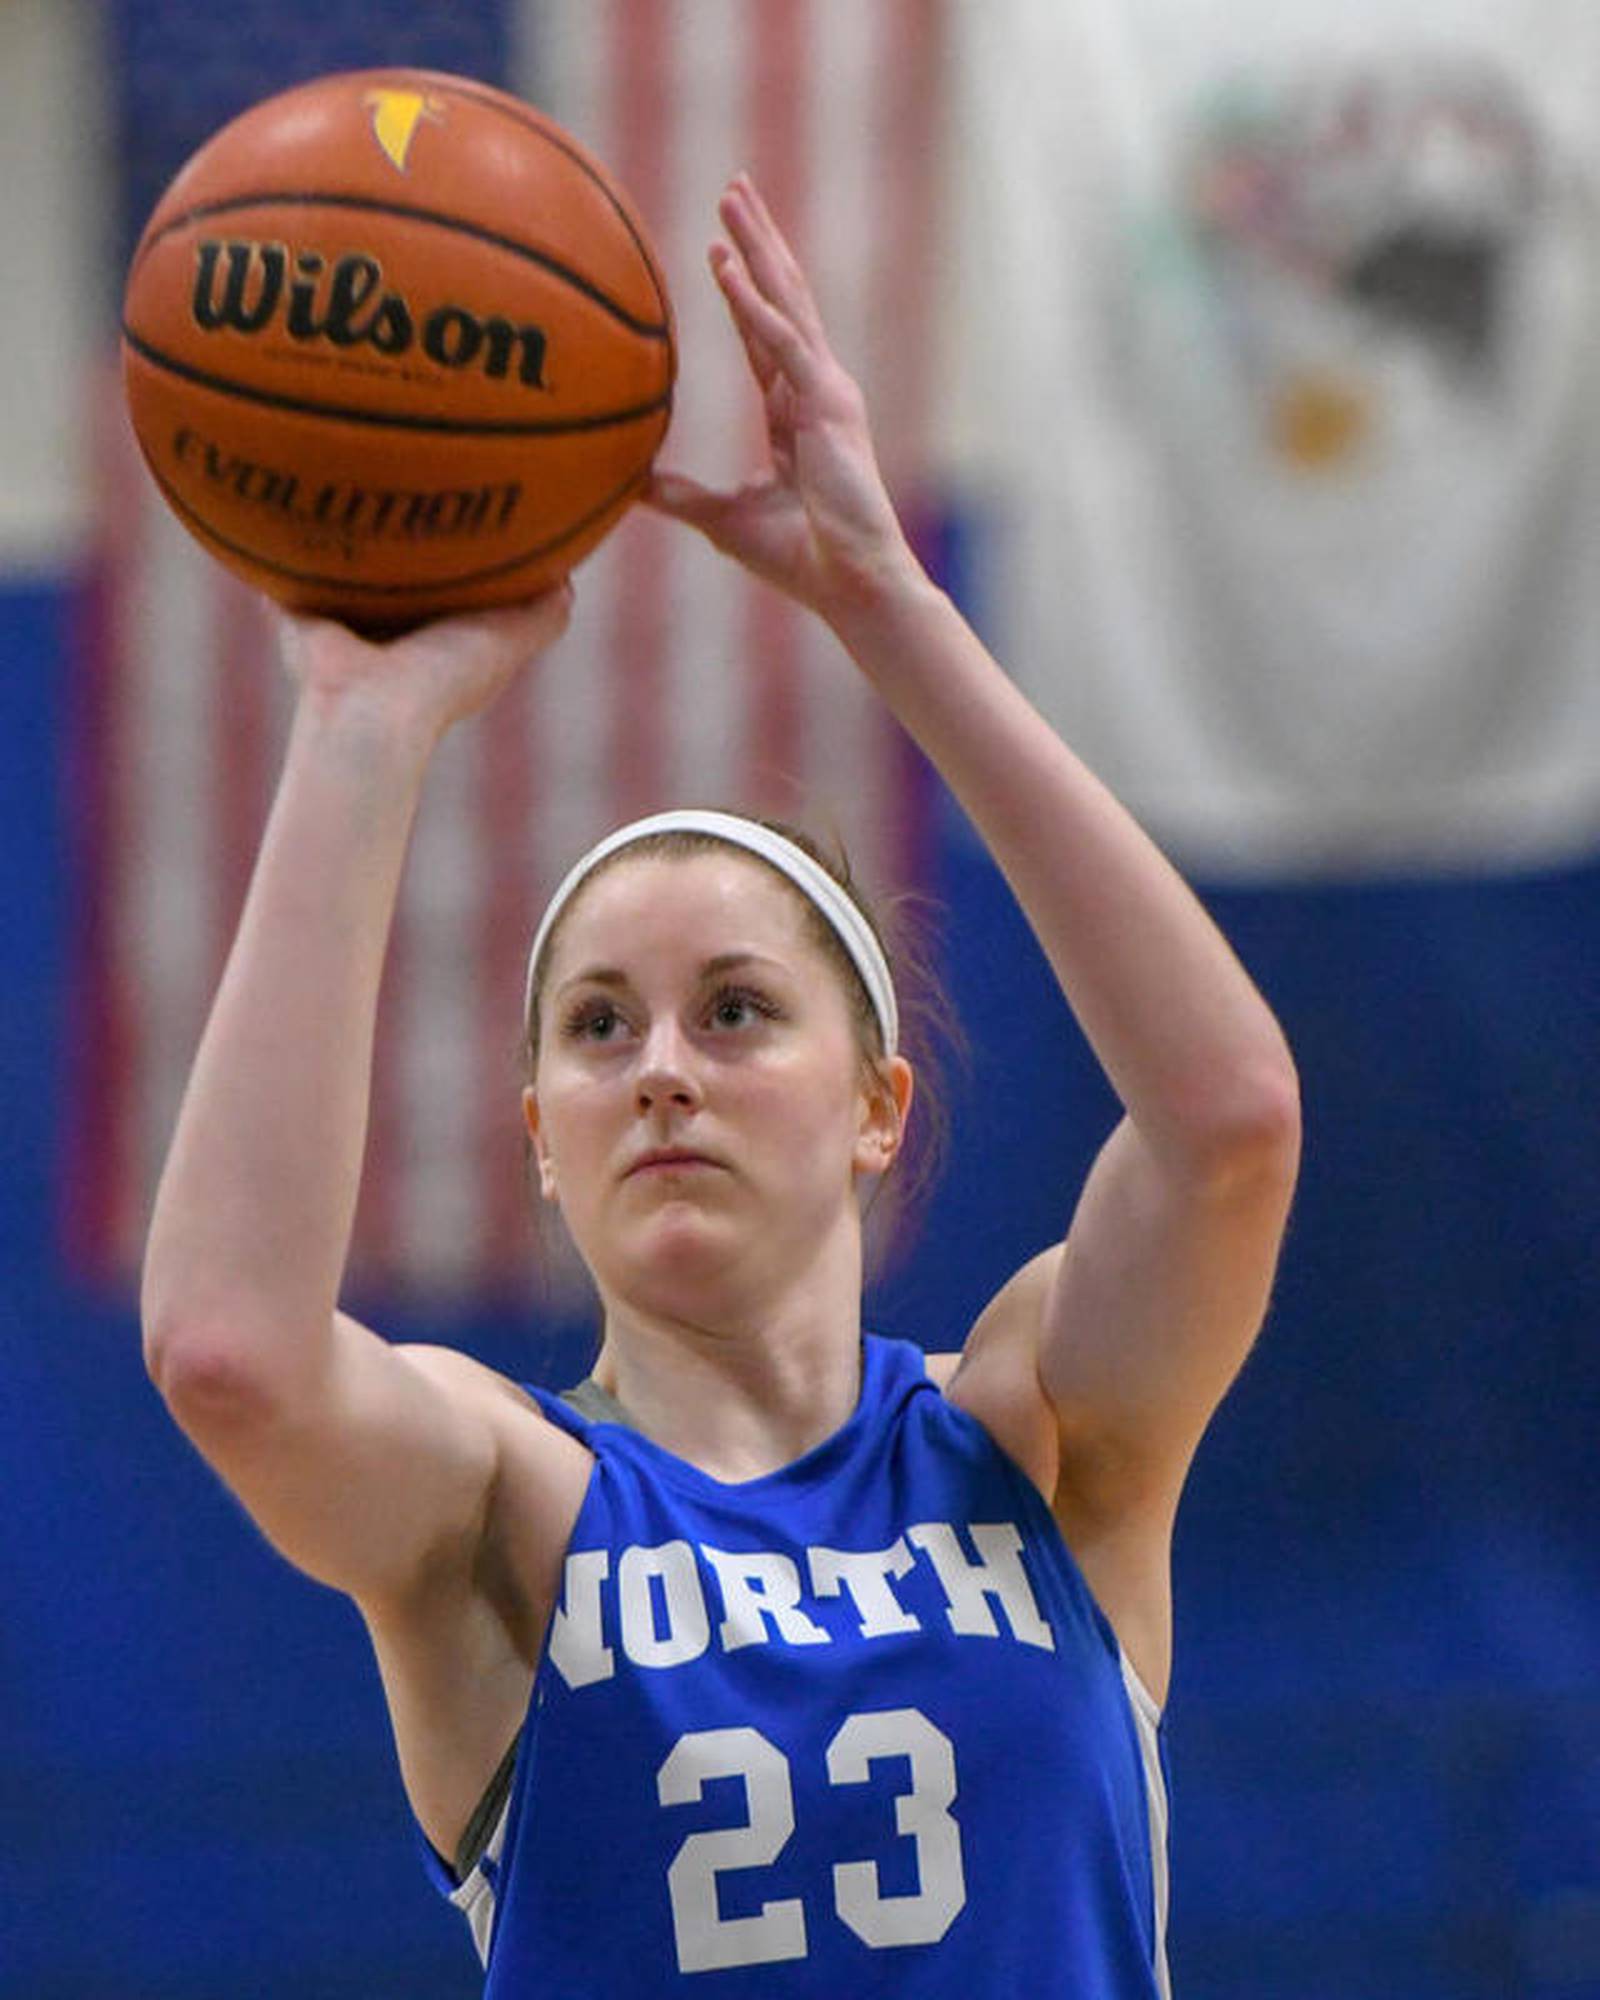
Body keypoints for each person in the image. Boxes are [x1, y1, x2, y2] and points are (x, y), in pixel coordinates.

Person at [141, 174, 1300, 1998]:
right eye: (598, 1029)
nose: (662, 1067)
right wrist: (359, 728)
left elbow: (1228, 1121)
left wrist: (885, 602)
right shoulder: (506, 1504)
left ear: (876, 1105)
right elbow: (229, 1352)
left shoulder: (1032, 1437)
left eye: (738, 1011)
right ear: (537, 1136)